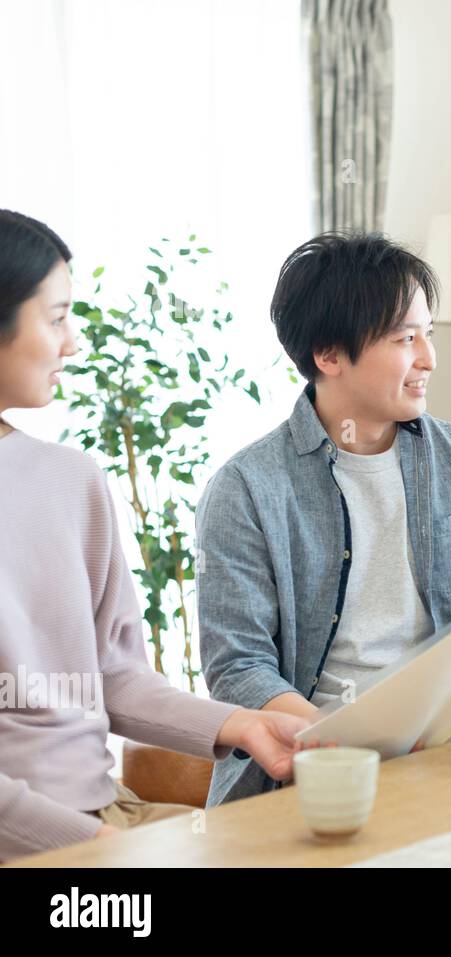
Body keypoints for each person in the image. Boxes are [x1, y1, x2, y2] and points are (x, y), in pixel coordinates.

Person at [197, 231, 451, 806]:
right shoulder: (246, 488)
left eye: (429, 334)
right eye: (405, 338)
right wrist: (342, 740)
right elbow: (238, 664)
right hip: (320, 772)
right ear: (329, 355)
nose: (428, 359)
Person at [0, 209, 308, 861]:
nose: (73, 343)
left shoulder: (70, 478)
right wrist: (93, 843)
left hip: (104, 815)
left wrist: (245, 723)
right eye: (55, 318)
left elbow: (112, 673)